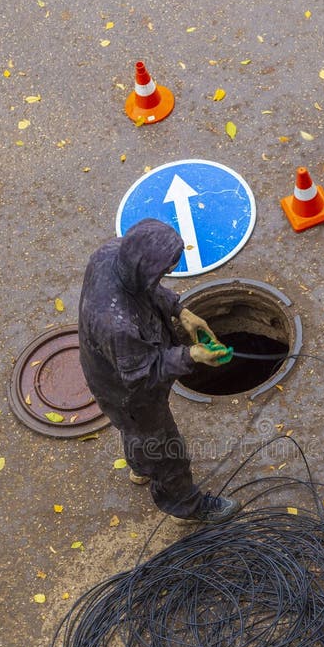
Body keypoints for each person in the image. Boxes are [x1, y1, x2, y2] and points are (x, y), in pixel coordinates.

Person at [78, 218, 241, 524]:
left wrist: (180, 310)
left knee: (135, 432)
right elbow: (142, 376)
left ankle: (140, 466)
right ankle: (187, 506)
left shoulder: (112, 255)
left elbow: (146, 287)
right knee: (166, 450)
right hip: (130, 394)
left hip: (106, 375)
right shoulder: (118, 325)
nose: (166, 274)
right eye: (165, 269)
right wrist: (191, 355)